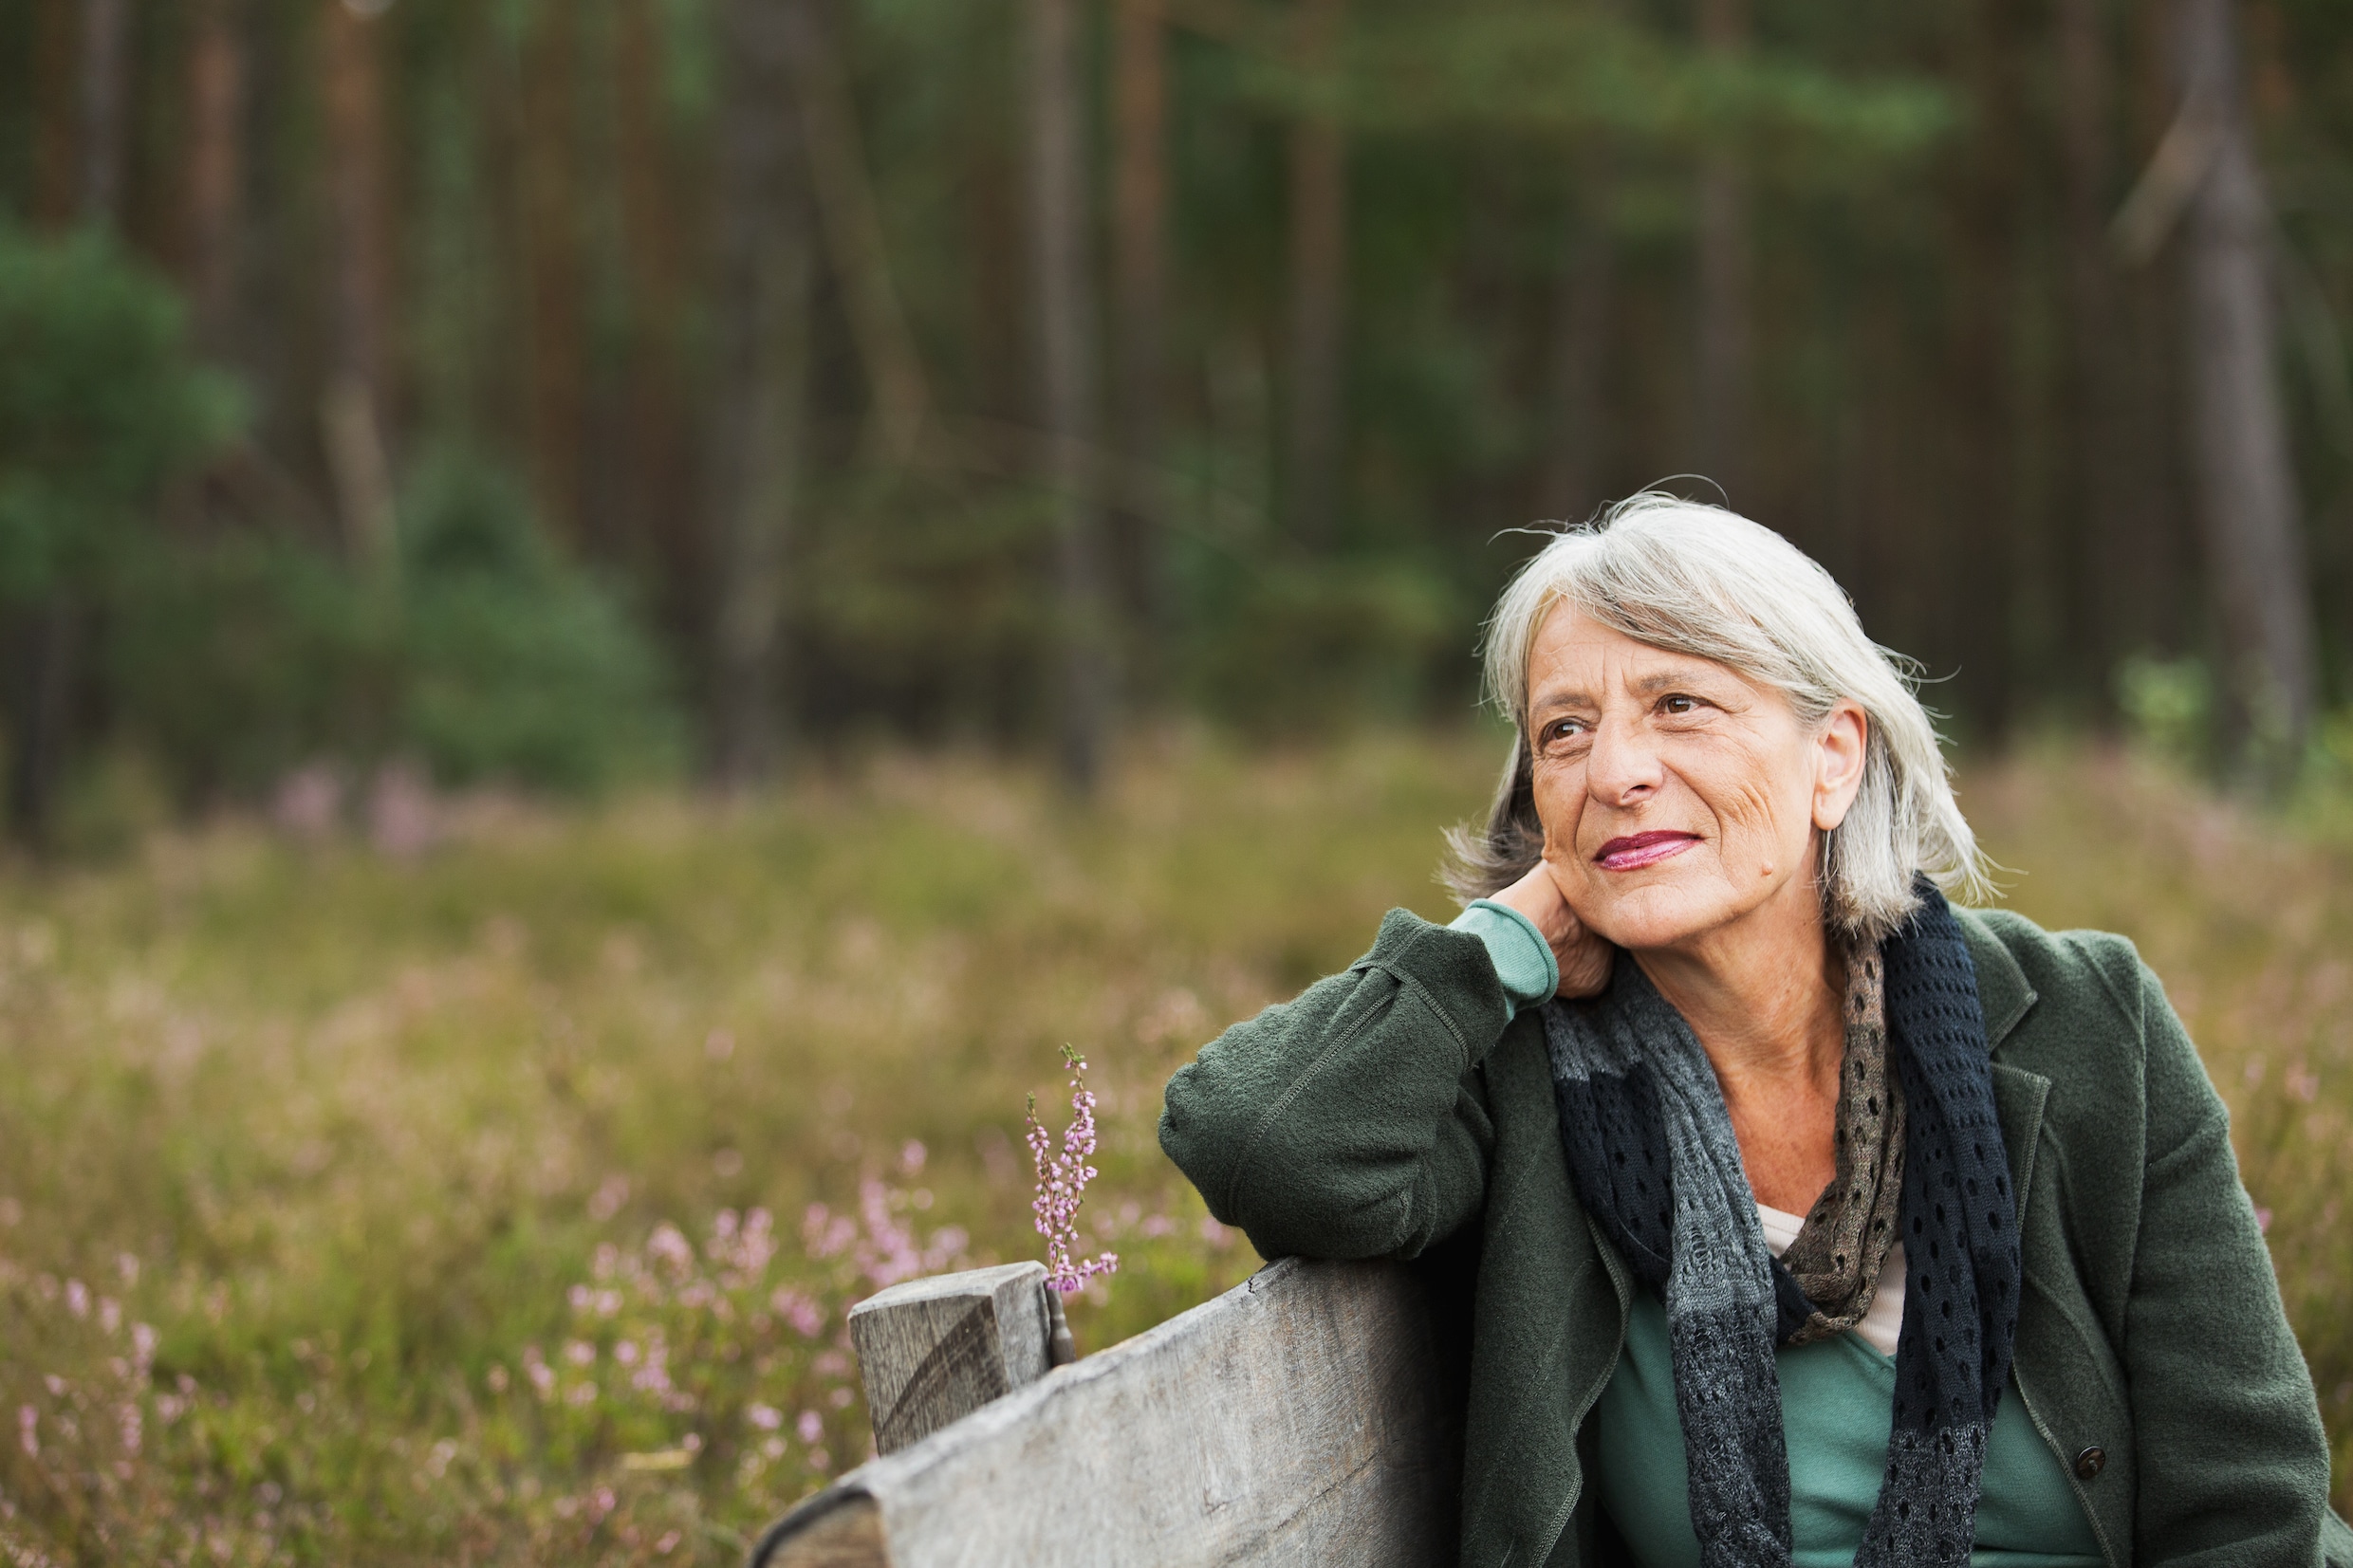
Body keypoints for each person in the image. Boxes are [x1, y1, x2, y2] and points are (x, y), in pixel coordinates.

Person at [1158, 495, 2353, 1568]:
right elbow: (1262, 1141)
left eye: (1679, 704)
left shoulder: (2088, 1024)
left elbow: (2251, 1510)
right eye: (1562, 731)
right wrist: (1498, 946)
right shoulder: (1522, 1076)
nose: (1614, 770)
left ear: (1831, 759)